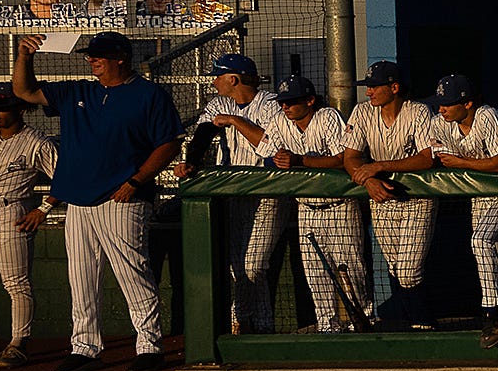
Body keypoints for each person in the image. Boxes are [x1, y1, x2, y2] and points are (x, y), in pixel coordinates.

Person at [11, 30, 182, 371]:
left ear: (121, 57)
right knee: (81, 277)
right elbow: (24, 91)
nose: (92, 59)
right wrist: (25, 56)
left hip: (122, 199)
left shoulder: (149, 94)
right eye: (90, 55)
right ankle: (85, 347)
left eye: (99, 55)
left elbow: (168, 144)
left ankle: (149, 345)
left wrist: (136, 181)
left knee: (132, 273)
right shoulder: (79, 89)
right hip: (78, 200)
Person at [183, 52, 287, 333]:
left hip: (267, 194)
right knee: (237, 268)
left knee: (254, 266)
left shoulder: (271, 103)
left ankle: (263, 325)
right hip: (231, 195)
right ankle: (242, 322)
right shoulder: (219, 102)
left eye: (218, 76)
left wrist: (234, 121)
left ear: (233, 78)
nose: (214, 82)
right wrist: (191, 160)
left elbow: (272, 147)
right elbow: (203, 134)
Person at [256, 74, 369, 331]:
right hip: (305, 208)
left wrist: (300, 161)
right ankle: (328, 326)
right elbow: (265, 154)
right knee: (316, 274)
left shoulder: (327, 116)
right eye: (282, 101)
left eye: (291, 101)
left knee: (351, 270)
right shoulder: (279, 121)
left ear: (309, 100)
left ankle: (363, 321)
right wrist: (281, 160)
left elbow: (343, 158)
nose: (285, 106)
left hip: (339, 206)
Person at [0, 87, 58, 368]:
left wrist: (44, 209)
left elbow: (65, 176)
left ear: (22, 109)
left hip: (13, 210)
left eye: (2, 108)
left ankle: (19, 344)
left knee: (16, 284)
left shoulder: (36, 142)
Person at [343, 60, 441, 328]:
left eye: (374, 87)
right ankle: (414, 326)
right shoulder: (362, 112)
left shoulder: (418, 111)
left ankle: (424, 323)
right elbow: (350, 157)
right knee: (396, 270)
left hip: (416, 198)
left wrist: (380, 166)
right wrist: (368, 181)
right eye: (368, 87)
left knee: (409, 271)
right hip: (382, 197)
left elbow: (426, 159)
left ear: (394, 87)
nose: (369, 92)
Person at [428, 73, 498, 348]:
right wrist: (474, 162)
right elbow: (440, 161)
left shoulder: (487, 115)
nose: (441, 108)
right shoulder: (439, 123)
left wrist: (461, 162)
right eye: (439, 103)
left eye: (447, 103)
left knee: (481, 241)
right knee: (494, 255)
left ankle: (490, 314)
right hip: (479, 196)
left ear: (467, 103)